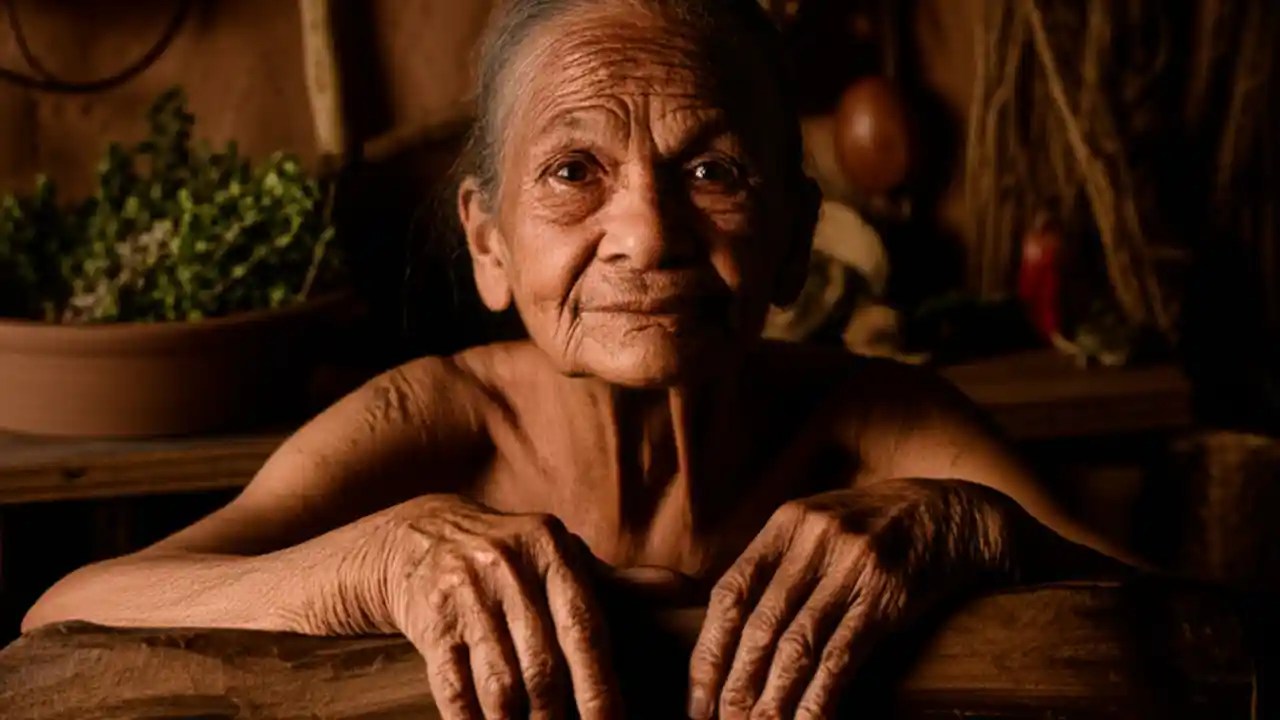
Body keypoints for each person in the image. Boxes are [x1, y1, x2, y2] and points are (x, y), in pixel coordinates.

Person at [23, 1, 1140, 718]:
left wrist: (972, 528)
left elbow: (1197, 633)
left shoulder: (874, 419)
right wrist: (376, 562)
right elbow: (69, 615)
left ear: (796, 238)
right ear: (489, 244)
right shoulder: (436, 421)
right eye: (571, 172)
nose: (648, 234)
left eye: (712, 173)